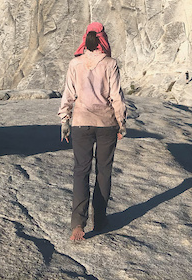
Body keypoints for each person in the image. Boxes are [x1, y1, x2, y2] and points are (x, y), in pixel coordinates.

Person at [59, 26, 126, 242]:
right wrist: (121, 124)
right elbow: (116, 97)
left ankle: (78, 223)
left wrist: (64, 121)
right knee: (103, 172)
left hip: (80, 123)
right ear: (103, 40)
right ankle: (100, 219)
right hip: (106, 123)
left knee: (81, 171)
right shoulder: (110, 64)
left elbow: (68, 94)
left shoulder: (75, 63)